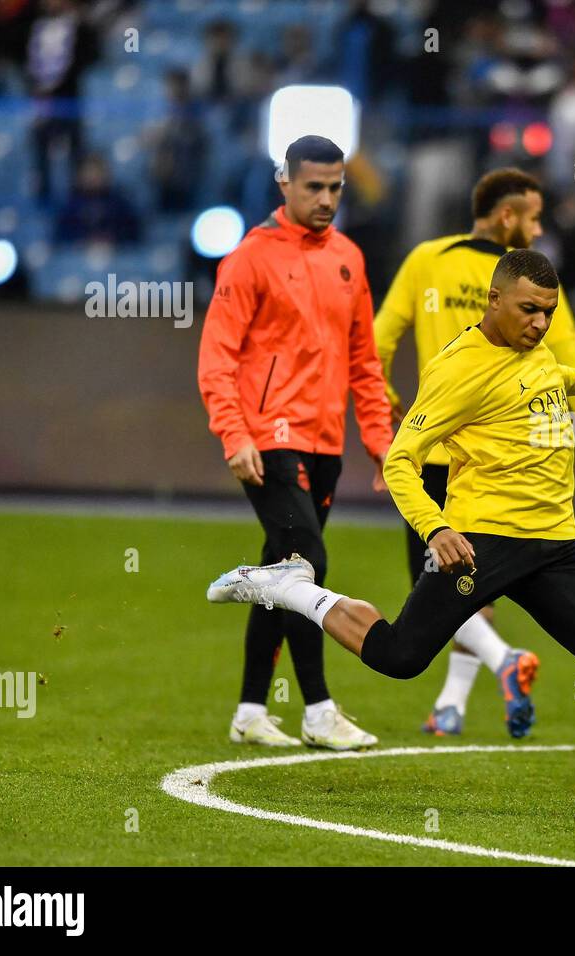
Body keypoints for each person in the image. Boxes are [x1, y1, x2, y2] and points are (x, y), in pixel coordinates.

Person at [207, 249, 575, 818]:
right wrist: (435, 528)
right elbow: (400, 462)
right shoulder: (457, 369)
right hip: (480, 542)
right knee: (401, 656)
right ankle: (292, 588)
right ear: (494, 300)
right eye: (529, 310)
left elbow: (546, 378)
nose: (540, 324)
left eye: (549, 313)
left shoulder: (534, 348)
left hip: (557, 544)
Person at [374, 168, 575, 737]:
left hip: (458, 466)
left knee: (457, 596)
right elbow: (568, 351)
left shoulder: (438, 263)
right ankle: (491, 670)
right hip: (453, 468)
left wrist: (381, 406)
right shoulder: (516, 293)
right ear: (508, 216)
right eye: (534, 217)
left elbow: (381, 337)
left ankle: (454, 703)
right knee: (432, 617)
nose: (539, 229)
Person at [197, 135, 393, 749]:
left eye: (336, 187)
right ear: (285, 184)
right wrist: (234, 433)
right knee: (307, 567)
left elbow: (364, 359)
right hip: (268, 436)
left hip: (325, 442)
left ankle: (251, 711)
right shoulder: (252, 257)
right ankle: (319, 711)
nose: (328, 198)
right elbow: (217, 356)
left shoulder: (349, 259)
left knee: (284, 578)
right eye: (314, 187)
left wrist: (384, 444)